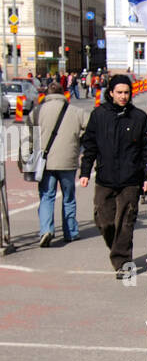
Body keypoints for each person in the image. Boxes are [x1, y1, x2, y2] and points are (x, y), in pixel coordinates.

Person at [79, 73, 147, 278]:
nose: (123, 96)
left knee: (126, 221)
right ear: (110, 92)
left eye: (126, 93)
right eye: (119, 92)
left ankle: (123, 264)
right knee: (104, 221)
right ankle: (117, 248)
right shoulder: (99, 115)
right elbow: (90, 145)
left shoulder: (138, 117)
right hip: (105, 177)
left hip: (131, 179)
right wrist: (85, 171)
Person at [32, 80, 89, 247]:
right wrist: (80, 145)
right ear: (63, 93)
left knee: (46, 196)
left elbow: (28, 135)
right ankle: (70, 232)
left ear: (47, 94)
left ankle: (46, 230)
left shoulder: (37, 111)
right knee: (68, 197)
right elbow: (89, 128)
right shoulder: (77, 111)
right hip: (68, 162)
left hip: (45, 163)